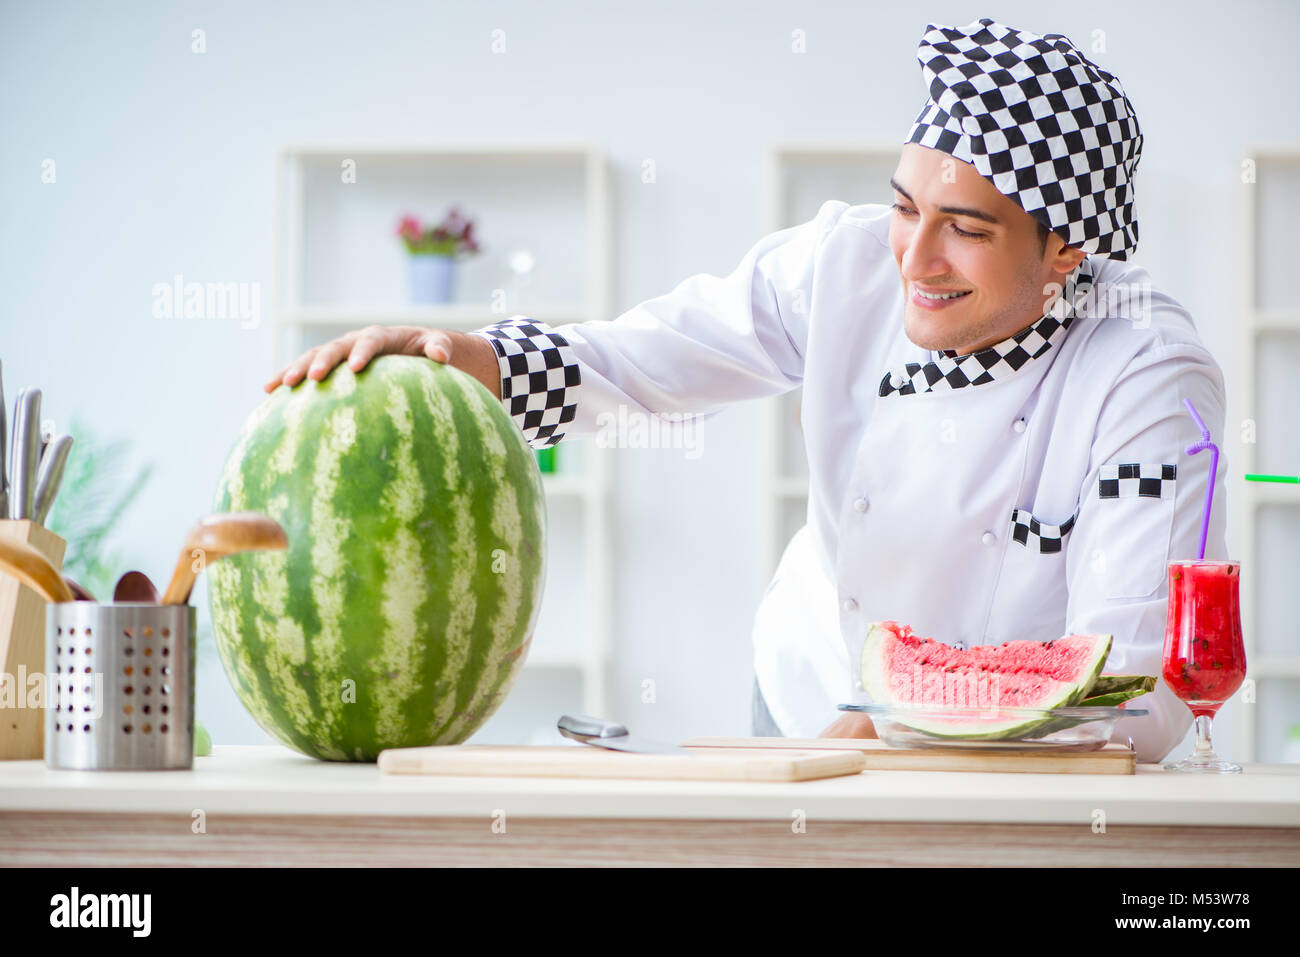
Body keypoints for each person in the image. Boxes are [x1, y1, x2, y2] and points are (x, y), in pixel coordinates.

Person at [265, 18, 1226, 763]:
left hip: (1024, 759)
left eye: (966, 228)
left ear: (1067, 248)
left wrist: (913, 729)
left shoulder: (1144, 374)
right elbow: (643, 363)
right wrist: (482, 360)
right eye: (904, 207)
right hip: (805, 687)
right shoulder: (840, 266)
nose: (915, 259)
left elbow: (1133, 686)